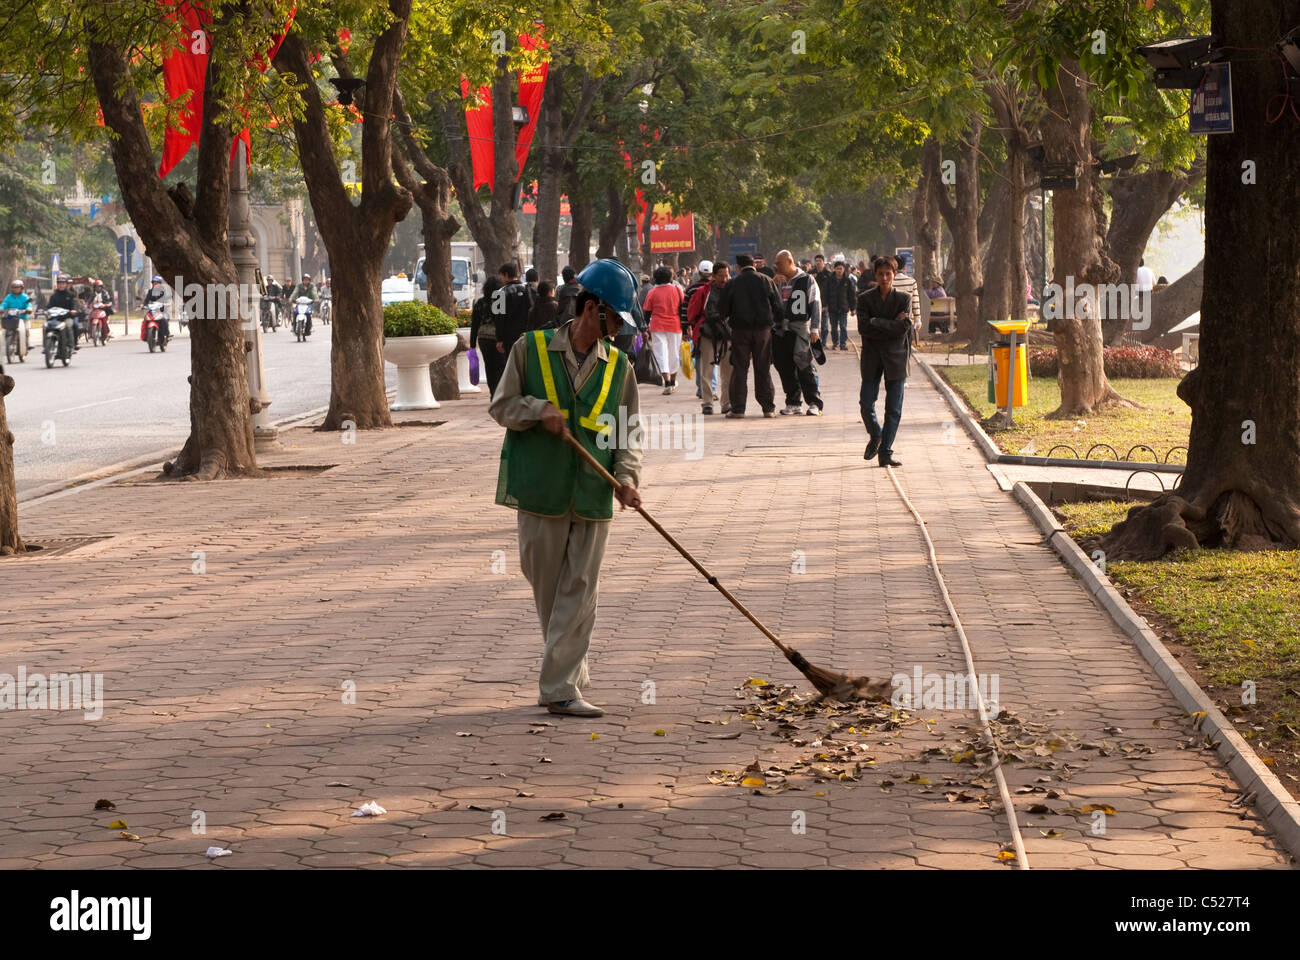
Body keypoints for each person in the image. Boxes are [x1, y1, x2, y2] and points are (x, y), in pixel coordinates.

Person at [490, 258, 643, 719]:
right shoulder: (529, 348)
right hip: (539, 489)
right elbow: (502, 406)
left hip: (595, 492)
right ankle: (570, 672)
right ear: (592, 308)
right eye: (615, 318)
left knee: (580, 587)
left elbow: (628, 431)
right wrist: (538, 410)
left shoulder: (619, 365)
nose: (618, 330)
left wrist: (630, 478)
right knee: (550, 591)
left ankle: (558, 688)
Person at [858, 257, 912, 468]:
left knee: (893, 409)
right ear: (875, 275)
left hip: (896, 357)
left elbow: (903, 328)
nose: (884, 278)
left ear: (894, 275)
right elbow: (863, 327)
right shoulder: (864, 299)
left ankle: (886, 452)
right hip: (872, 356)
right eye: (880, 274)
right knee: (866, 403)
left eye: (888, 274)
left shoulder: (903, 298)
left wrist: (876, 322)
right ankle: (876, 435)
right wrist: (889, 325)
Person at [720, 253, 782, 418]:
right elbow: (778, 306)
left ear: (737, 267)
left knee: (740, 369)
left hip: (740, 332)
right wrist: (777, 325)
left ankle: (738, 409)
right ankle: (768, 408)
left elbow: (722, 310)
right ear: (754, 265)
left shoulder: (733, 283)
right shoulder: (766, 280)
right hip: (763, 331)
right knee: (763, 368)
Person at [771, 250, 824, 416]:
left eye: (779, 263)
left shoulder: (807, 280)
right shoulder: (777, 281)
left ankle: (814, 402)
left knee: (804, 364)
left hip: (800, 328)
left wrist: (815, 329)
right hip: (780, 330)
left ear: (789, 261)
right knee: (784, 366)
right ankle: (793, 402)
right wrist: (772, 284)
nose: (776, 266)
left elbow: (815, 304)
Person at [688, 261, 731, 415]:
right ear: (713, 276)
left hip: (728, 335)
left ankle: (726, 403)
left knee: (728, 371)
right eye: (721, 276)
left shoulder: (733, 289)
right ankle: (707, 403)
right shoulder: (703, 291)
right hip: (708, 334)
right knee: (706, 369)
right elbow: (692, 312)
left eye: (726, 275)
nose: (724, 279)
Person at [644, 265, 684, 395]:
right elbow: (683, 309)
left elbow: (647, 313)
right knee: (674, 353)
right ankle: (673, 380)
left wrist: (644, 329)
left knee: (661, 353)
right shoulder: (678, 290)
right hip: (675, 325)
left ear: (655, 278)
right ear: (670, 277)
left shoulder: (652, 292)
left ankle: (666, 381)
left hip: (657, 326)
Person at [470, 276, 506, 395]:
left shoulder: (479, 303)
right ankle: (499, 393)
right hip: (497, 338)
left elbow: (474, 325)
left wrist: (472, 346)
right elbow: (501, 321)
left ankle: (492, 392)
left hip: (483, 339)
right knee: (500, 366)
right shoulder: (499, 301)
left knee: (489, 367)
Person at [495, 262, 534, 361]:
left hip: (508, 337)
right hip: (526, 334)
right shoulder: (528, 289)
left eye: (502, 276)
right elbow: (532, 310)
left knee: (511, 363)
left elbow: (498, 318)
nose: (501, 279)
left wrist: (499, 339)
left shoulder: (499, 293)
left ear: (506, 275)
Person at [824, 258, 857, 351]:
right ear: (834, 269)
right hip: (832, 308)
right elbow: (825, 293)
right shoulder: (829, 280)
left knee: (843, 327)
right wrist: (824, 305)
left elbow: (852, 295)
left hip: (843, 307)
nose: (839, 270)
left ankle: (843, 343)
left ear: (844, 270)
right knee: (834, 328)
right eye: (837, 268)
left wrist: (853, 308)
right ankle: (835, 343)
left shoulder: (847, 281)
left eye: (841, 268)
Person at [48, 273, 84, 350]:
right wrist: (43, 310)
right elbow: (49, 306)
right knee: (46, 326)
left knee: (69, 325)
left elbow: (74, 304)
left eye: (63, 283)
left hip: (67, 317)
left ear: (66, 284)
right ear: (57, 284)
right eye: (59, 283)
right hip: (56, 318)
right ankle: (47, 346)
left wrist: (73, 310)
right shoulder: (54, 296)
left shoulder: (71, 295)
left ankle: (71, 346)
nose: (61, 285)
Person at [891, 253, 922, 337]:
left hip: (890, 321)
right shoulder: (911, 282)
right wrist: (917, 319)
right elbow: (915, 302)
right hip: (907, 321)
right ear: (904, 267)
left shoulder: (888, 282)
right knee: (906, 346)